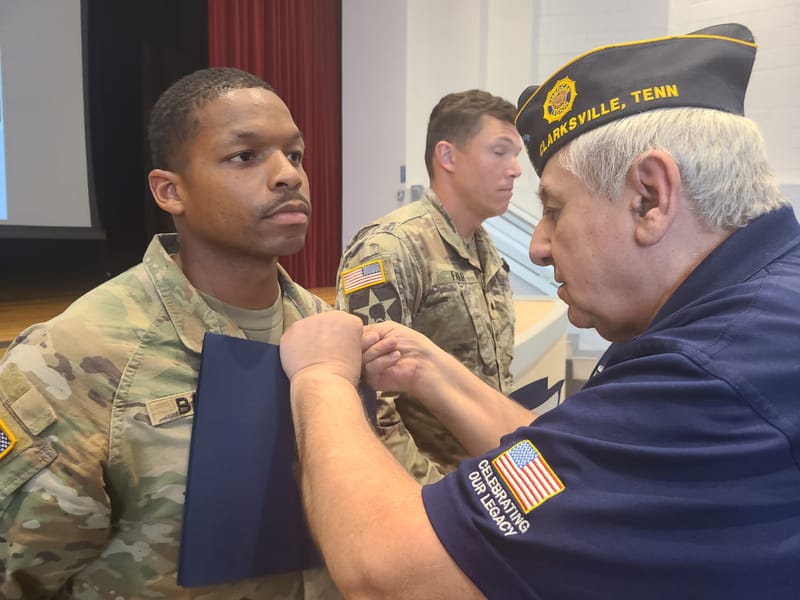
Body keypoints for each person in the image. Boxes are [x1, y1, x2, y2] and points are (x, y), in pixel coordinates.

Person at [280, 23, 800, 599]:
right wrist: (431, 375)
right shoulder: (761, 313)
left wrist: (319, 375)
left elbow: (390, 572)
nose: (538, 244)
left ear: (651, 198)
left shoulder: (708, 374)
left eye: (554, 209)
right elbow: (578, 468)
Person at [0, 67, 436, 598]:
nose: (288, 175)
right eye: (245, 156)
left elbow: (406, 500)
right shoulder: (72, 360)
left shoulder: (334, 335)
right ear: (170, 191)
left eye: (294, 154)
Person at [335, 89, 522, 472]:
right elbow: (369, 401)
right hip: (432, 494)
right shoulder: (390, 248)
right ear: (448, 156)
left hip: (484, 478)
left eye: (516, 155)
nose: (516, 168)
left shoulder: (484, 250)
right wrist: (425, 495)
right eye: (501, 152)